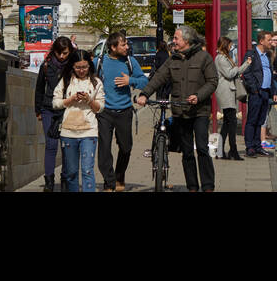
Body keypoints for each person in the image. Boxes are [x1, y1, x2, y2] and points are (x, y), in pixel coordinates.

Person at [143, 25, 219, 191]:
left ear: (187, 40)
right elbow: (158, 78)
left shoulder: (204, 58)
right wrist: (144, 94)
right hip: (180, 111)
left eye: (176, 38)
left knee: (201, 148)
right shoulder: (173, 59)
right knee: (187, 152)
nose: (173, 41)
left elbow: (212, 81)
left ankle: (208, 186)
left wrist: (198, 96)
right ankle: (192, 187)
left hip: (200, 111)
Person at [95, 30, 153, 192]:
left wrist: (130, 80)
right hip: (104, 112)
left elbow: (144, 81)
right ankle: (109, 182)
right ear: (113, 47)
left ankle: (120, 176)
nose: (127, 46)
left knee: (126, 148)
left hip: (125, 111)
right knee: (104, 150)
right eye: (124, 44)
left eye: (127, 44)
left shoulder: (130, 61)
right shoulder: (99, 62)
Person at [53, 48, 104, 192]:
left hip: (89, 132)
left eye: (84, 67)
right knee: (71, 173)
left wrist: (89, 100)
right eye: (78, 67)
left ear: (90, 66)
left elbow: (100, 108)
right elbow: (55, 103)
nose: (81, 70)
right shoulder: (66, 81)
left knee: (87, 171)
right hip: (68, 132)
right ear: (72, 66)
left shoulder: (96, 82)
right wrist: (70, 99)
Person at [34, 35, 74, 192]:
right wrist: (37, 109)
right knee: (51, 144)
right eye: (60, 53)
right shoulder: (46, 65)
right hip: (48, 108)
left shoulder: (73, 66)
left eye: (65, 53)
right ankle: (49, 181)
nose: (62, 56)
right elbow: (39, 88)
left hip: (67, 108)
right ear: (54, 52)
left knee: (66, 144)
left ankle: (65, 179)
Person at [214, 36, 251, 162]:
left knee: (227, 124)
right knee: (232, 122)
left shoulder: (224, 58)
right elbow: (230, 74)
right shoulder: (221, 58)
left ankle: (221, 151)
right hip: (225, 92)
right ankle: (233, 151)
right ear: (225, 45)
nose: (231, 47)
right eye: (230, 45)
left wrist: (244, 65)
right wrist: (244, 65)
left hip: (228, 91)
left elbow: (234, 72)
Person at [241, 30, 275, 157]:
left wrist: (273, 91)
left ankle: (257, 146)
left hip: (265, 92)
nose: (271, 42)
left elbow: (270, 74)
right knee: (252, 120)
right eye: (269, 40)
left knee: (261, 120)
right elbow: (247, 72)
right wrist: (254, 89)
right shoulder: (252, 54)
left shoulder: (267, 55)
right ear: (261, 41)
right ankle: (250, 147)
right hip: (256, 92)